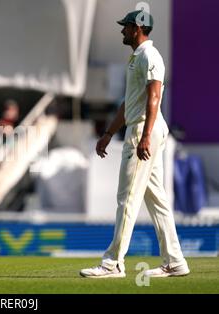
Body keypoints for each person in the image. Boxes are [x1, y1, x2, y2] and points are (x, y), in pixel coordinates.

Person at [80, 10, 190, 278]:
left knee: (127, 199)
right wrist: (108, 133)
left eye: (126, 27)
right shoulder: (137, 57)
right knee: (158, 201)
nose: (122, 31)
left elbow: (154, 99)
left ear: (138, 28)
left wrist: (144, 136)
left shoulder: (149, 56)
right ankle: (175, 261)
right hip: (143, 128)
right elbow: (129, 104)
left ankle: (113, 263)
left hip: (145, 130)